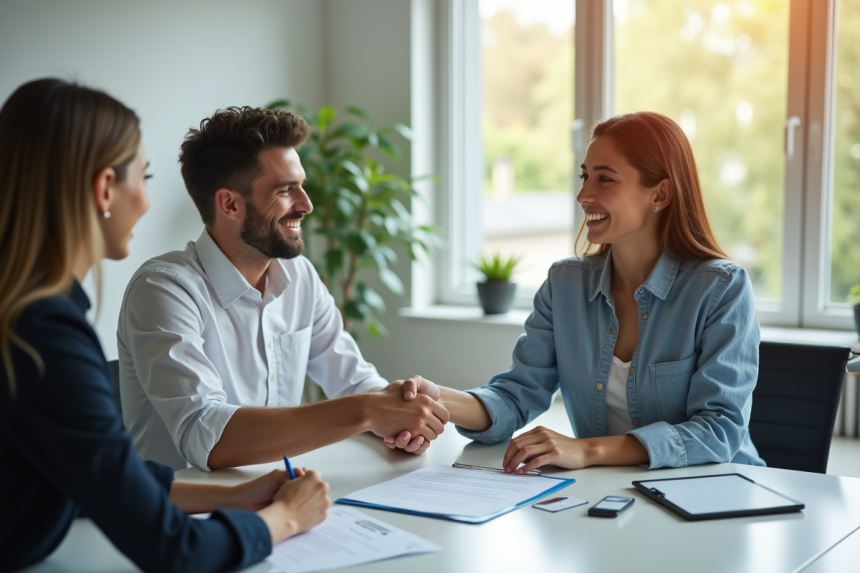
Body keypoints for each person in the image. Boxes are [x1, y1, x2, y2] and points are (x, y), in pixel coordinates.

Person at [0, 79, 331, 573]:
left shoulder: (37, 310)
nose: (148, 201)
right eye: (145, 177)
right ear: (104, 188)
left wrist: (238, 496)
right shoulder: (44, 334)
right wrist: (285, 518)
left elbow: (97, 476)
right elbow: (174, 550)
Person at [390, 111, 764, 473]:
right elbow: (517, 394)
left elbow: (719, 431)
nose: (583, 195)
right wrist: (435, 398)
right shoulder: (564, 285)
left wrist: (586, 450)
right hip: (615, 497)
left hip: (719, 496)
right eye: (585, 177)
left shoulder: (720, 289)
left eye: (605, 180)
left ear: (660, 194)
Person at [118, 106, 447, 471]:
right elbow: (207, 437)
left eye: (301, 186)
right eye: (286, 191)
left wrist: (399, 411)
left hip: (282, 498)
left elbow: (354, 382)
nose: (306, 205)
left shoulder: (300, 277)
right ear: (230, 203)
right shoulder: (164, 289)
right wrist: (368, 410)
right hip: (183, 514)